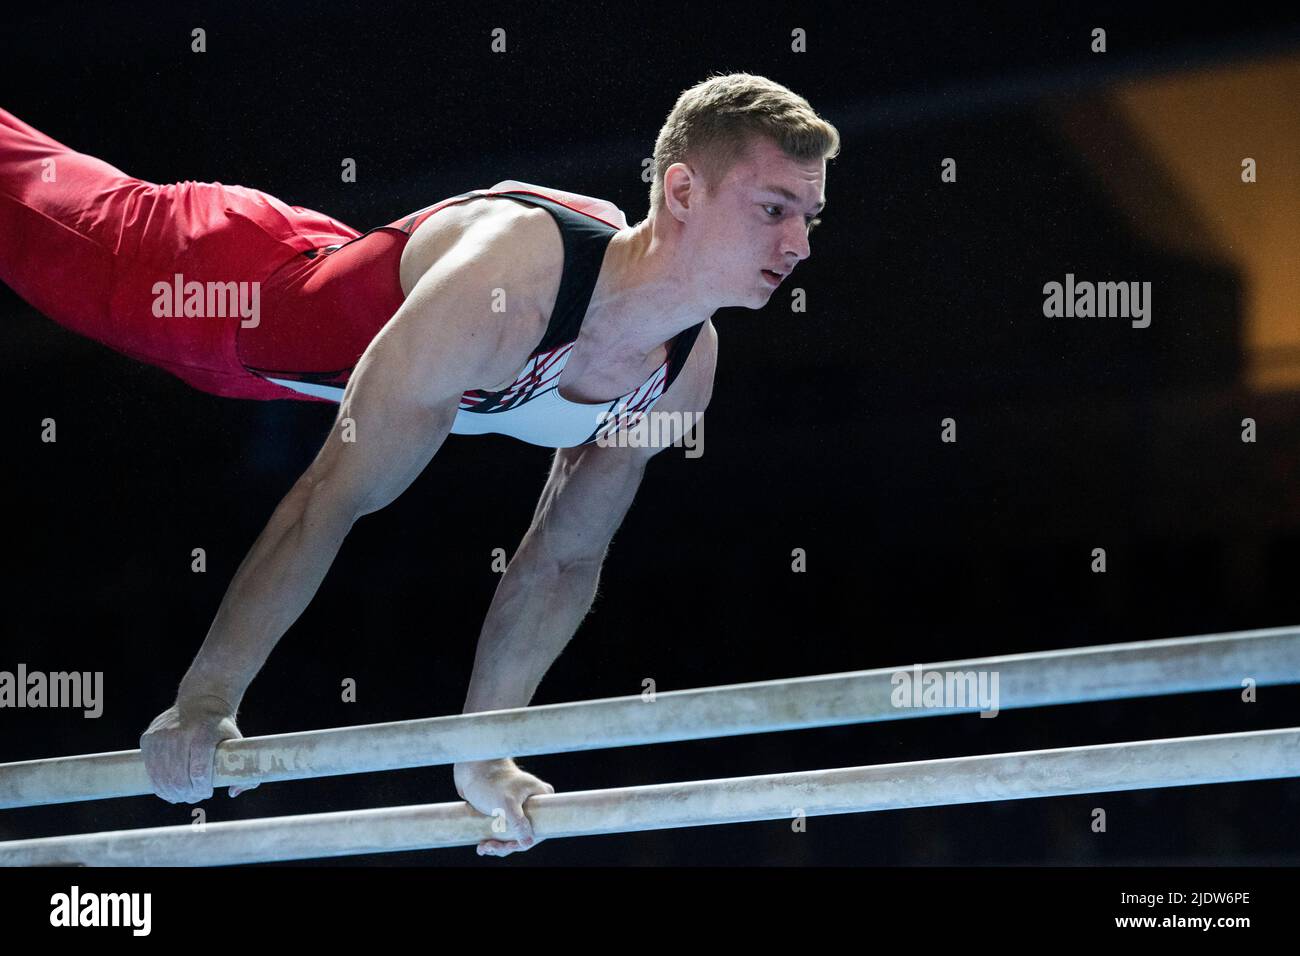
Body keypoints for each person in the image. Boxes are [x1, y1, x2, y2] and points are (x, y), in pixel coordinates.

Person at [0, 73, 838, 857]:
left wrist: (485, 749)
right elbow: (332, 496)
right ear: (683, 191)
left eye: (810, 216)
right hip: (220, 287)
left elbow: (563, 558)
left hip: (299, 355)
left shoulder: (683, 373)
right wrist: (207, 699)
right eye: (774, 209)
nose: (799, 242)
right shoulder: (514, 279)